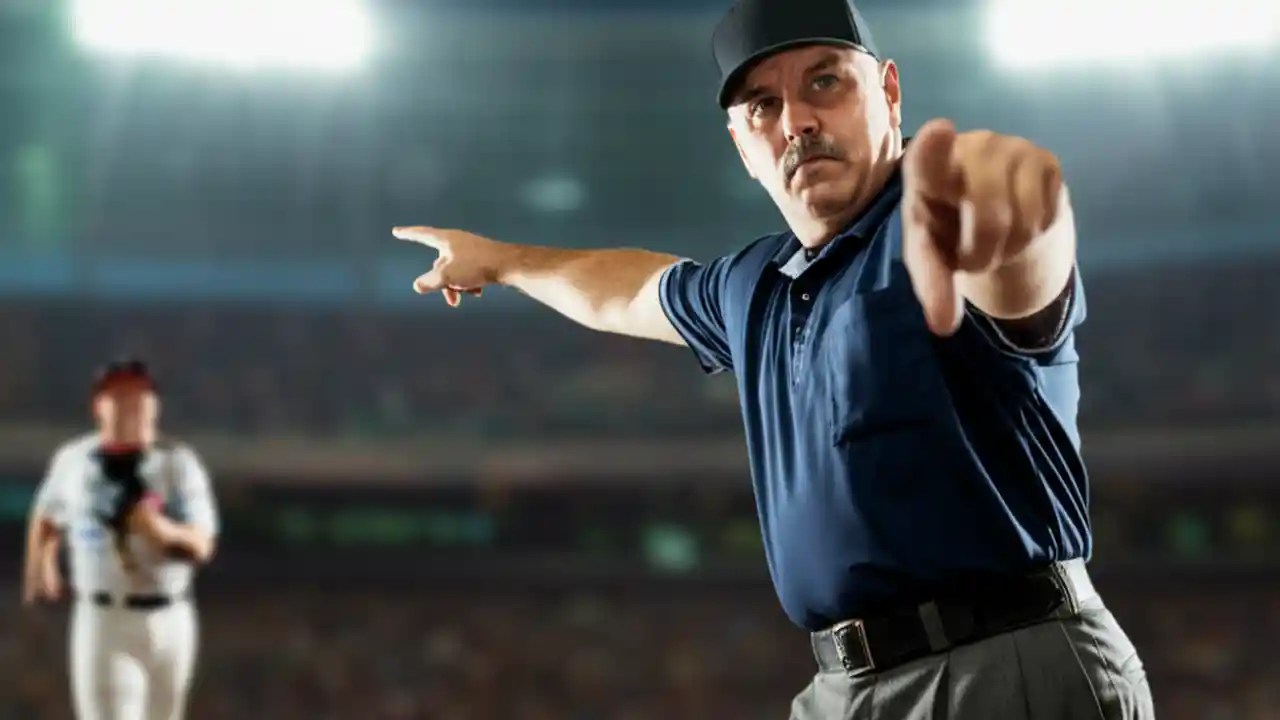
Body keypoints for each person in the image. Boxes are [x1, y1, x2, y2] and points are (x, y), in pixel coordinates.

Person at [391, 0, 1153, 716]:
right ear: (741, 144)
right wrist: (502, 260)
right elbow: (626, 290)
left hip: (1006, 666)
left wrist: (1019, 217)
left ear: (889, 92)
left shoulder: (938, 223)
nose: (796, 120)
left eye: (825, 81)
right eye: (763, 105)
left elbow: (1020, 263)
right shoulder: (754, 283)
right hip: (841, 686)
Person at [21, 358, 219, 720]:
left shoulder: (179, 464)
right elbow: (46, 511)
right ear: (99, 407)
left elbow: (203, 543)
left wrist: (160, 530)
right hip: (106, 617)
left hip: (173, 616)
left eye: (142, 396)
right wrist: (41, 561)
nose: (133, 404)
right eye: (120, 396)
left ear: (155, 406)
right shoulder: (75, 460)